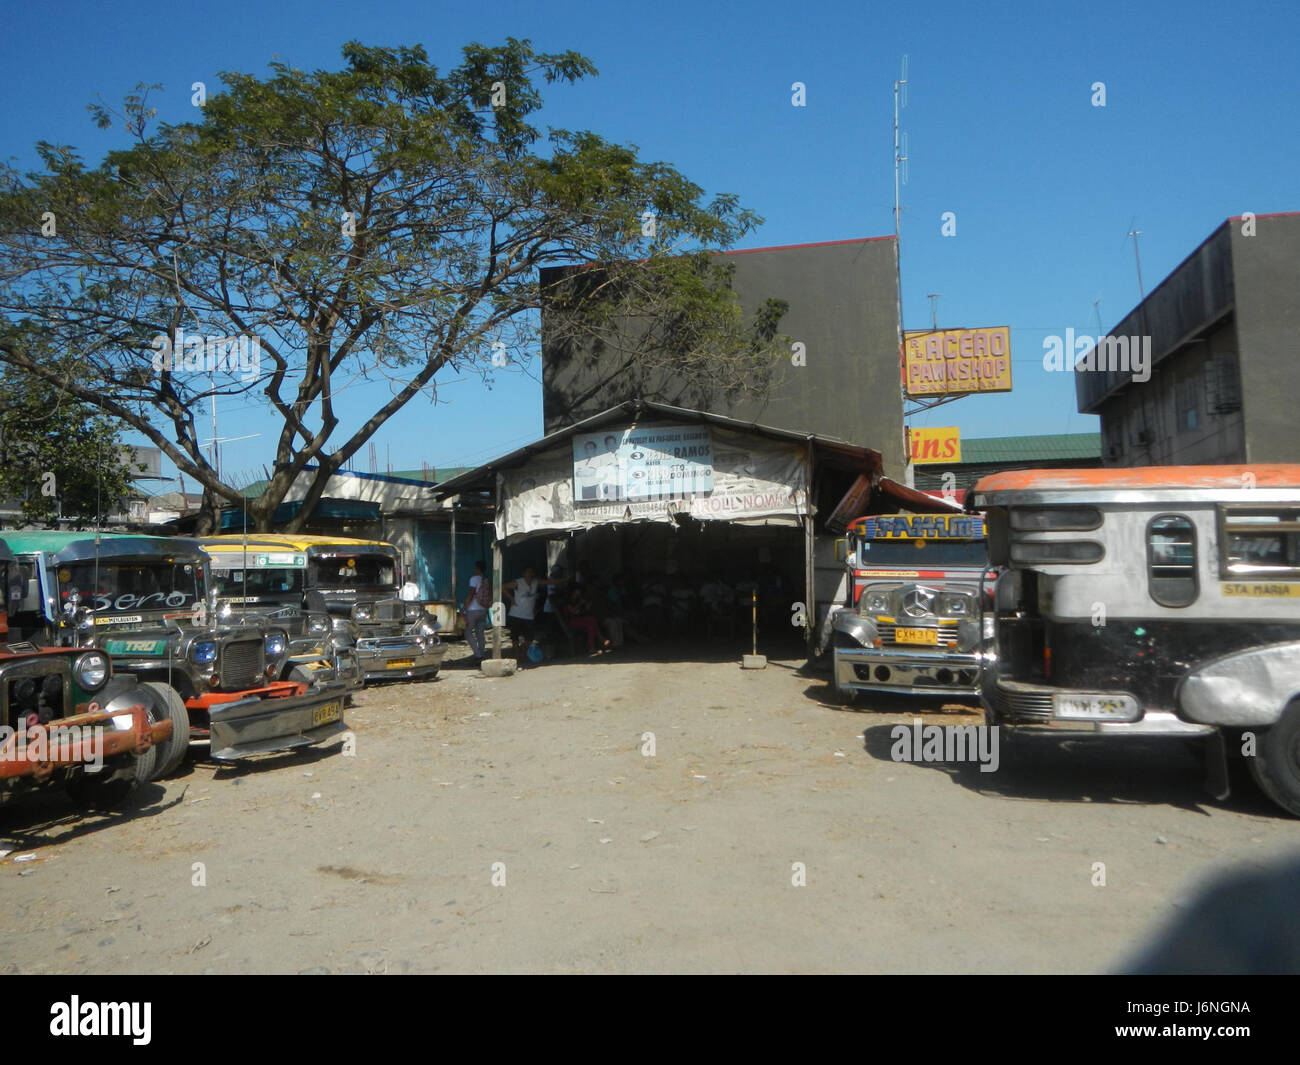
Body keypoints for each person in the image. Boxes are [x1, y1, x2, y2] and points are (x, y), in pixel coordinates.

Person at [460, 560, 490, 664]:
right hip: (483, 609)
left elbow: (471, 594)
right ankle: (482, 654)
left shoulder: (474, 579)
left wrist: (463, 608)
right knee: (480, 633)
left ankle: (478, 655)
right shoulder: (486, 579)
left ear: (477, 569)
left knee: (468, 632)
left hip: (473, 610)